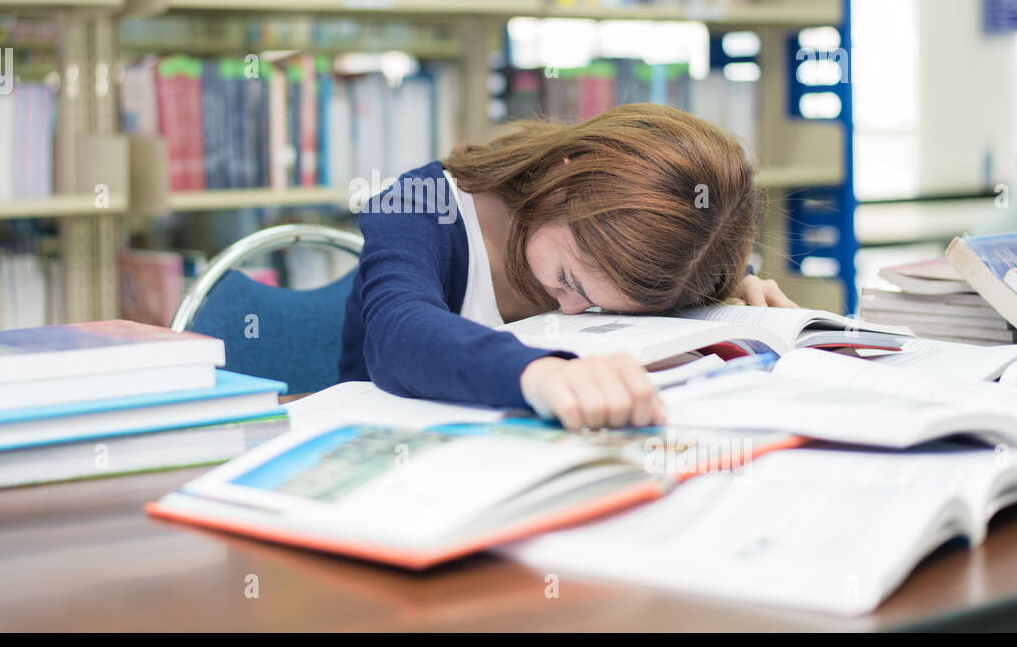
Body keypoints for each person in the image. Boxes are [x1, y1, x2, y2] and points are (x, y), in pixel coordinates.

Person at [337, 103, 797, 430]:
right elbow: (397, 330)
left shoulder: (622, 242)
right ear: (561, 184)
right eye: (567, 279)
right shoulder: (420, 204)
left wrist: (724, 288)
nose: (573, 310)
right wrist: (543, 374)